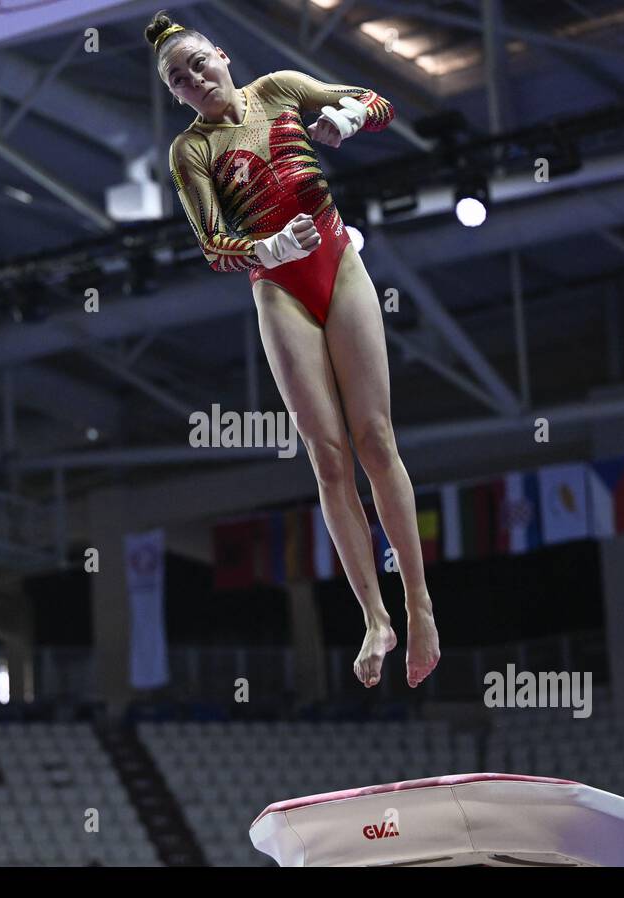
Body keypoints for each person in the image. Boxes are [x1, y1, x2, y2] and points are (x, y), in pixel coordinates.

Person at [150, 10, 440, 689]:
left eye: (197, 63)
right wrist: (262, 249)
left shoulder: (280, 88)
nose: (193, 79)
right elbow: (210, 241)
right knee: (329, 458)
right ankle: (376, 616)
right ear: (176, 96)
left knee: (375, 438)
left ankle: (420, 604)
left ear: (222, 55)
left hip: (339, 264)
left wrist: (346, 119)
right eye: (178, 80)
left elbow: (380, 100)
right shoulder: (190, 151)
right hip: (278, 286)